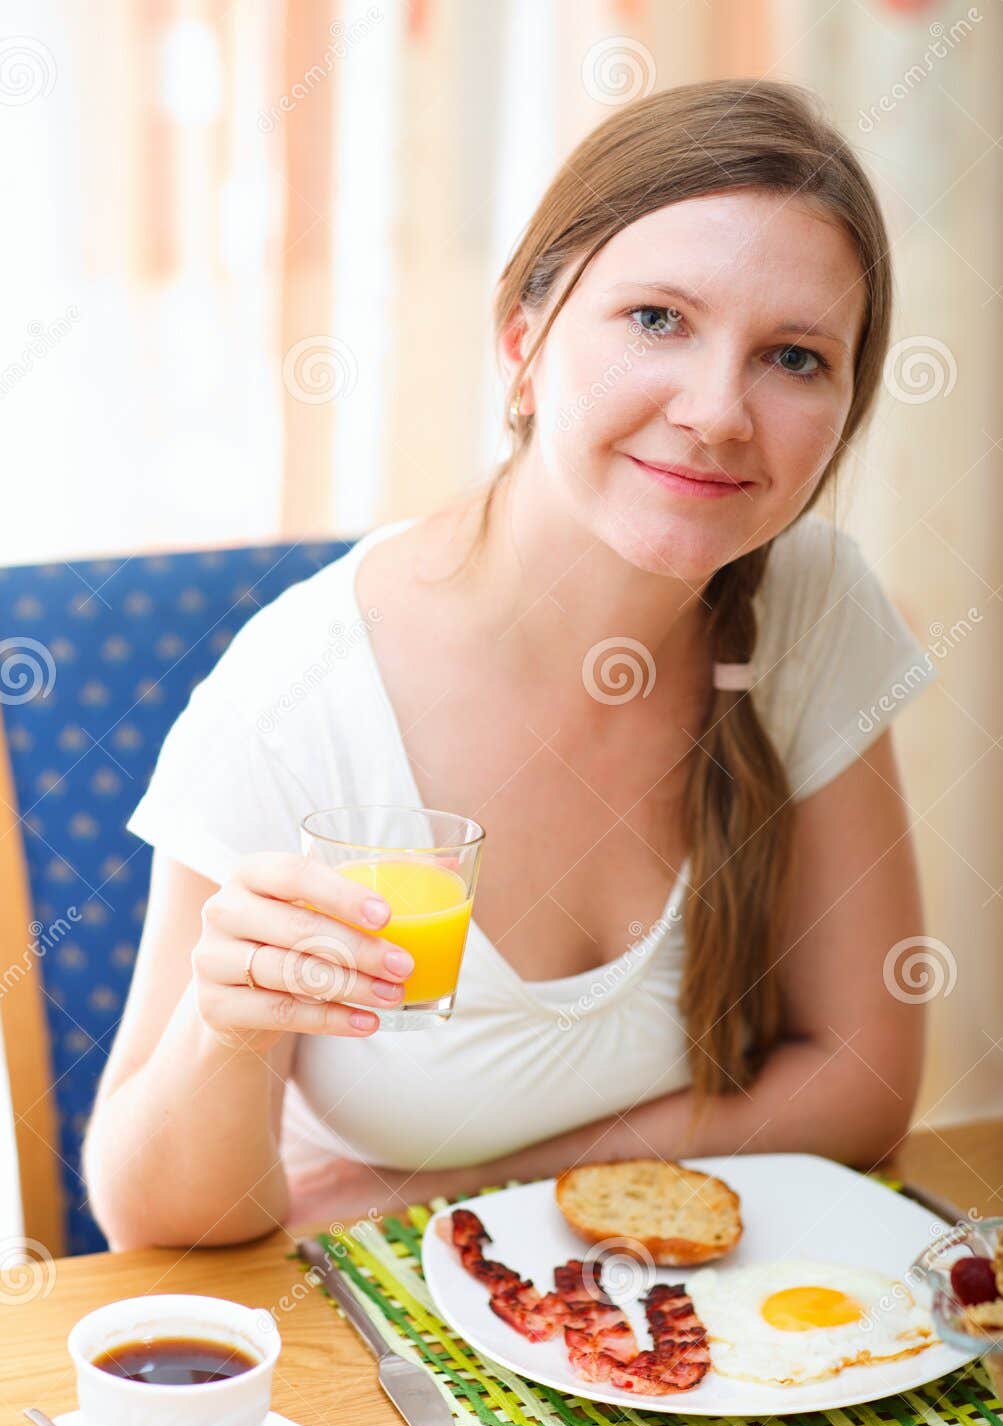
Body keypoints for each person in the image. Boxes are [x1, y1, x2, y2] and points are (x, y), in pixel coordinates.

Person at [84, 79, 937, 1250]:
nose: (716, 410)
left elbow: (860, 1079)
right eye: (655, 319)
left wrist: (446, 1196)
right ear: (522, 342)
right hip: (364, 1346)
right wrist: (224, 1034)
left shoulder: (812, 606)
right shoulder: (297, 690)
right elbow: (147, 1219)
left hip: (658, 1334)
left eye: (791, 356)